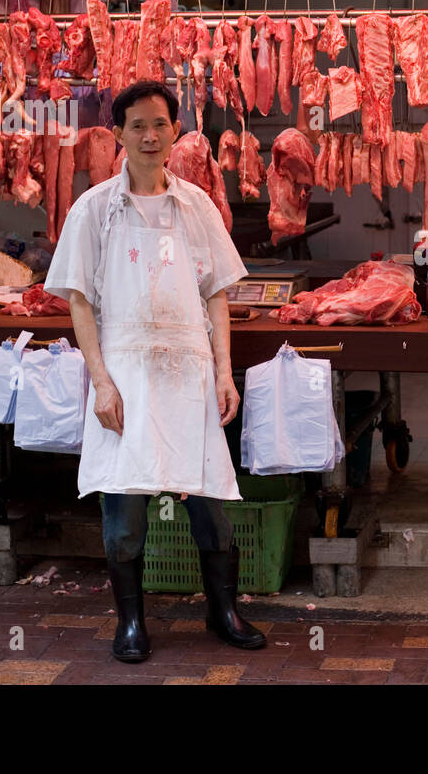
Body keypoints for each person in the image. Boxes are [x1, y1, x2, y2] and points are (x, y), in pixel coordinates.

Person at [44, 80, 263, 663]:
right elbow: (80, 302)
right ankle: (132, 623)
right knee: (125, 513)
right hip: (127, 375)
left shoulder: (197, 206)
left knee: (212, 507)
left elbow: (216, 292)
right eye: (136, 125)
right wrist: (101, 381)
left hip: (189, 373)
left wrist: (224, 372)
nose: (148, 135)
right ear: (117, 133)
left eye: (159, 124)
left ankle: (224, 611)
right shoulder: (92, 210)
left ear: (174, 131)